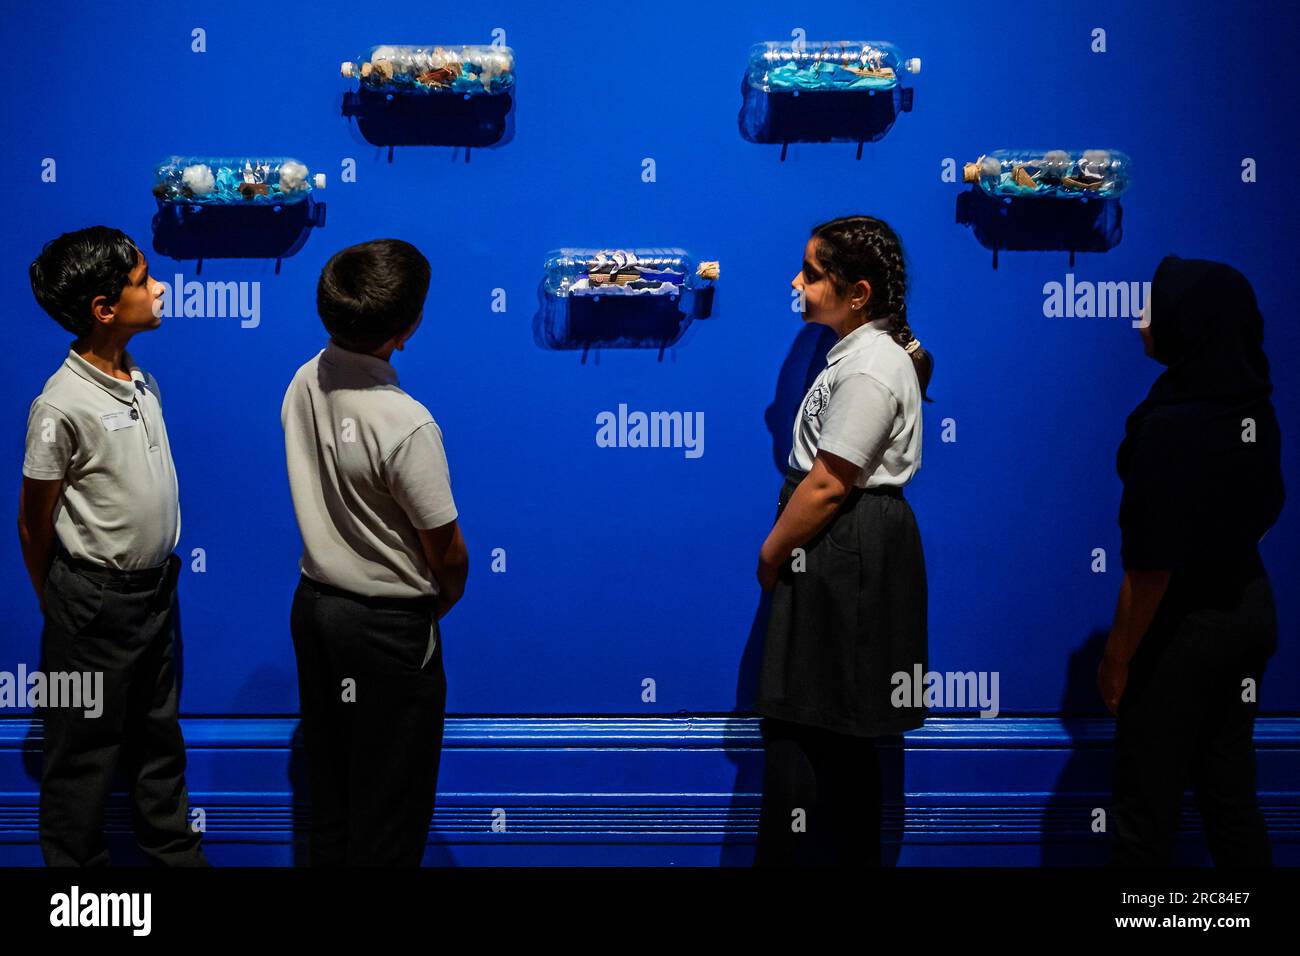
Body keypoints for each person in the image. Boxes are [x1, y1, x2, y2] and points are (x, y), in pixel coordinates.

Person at [19, 226, 207, 866]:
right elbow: (33, 521)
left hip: (157, 593)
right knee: (82, 756)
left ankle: (175, 857)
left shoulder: (143, 380)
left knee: (159, 741)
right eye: (143, 282)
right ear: (105, 310)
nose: (159, 291)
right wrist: (66, 606)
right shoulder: (58, 406)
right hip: (91, 604)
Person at [282, 238, 469, 866]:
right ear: (406, 329)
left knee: (331, 801)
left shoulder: (303, 380)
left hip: (316, 615)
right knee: (389, 816)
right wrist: (422, 608)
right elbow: (447, 553)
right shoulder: (407, 424)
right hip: (386, 632)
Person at [753, 215, 933, 866]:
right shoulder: (865, 357)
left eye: (812, 272)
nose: (796, 282)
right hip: (843, 546)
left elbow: (830, 484)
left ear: (857, 293)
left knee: (819, 722)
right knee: (828, 724)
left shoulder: (872, 368)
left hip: (843, 546)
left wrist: (772, 553)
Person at [1100, 256, 1284, 866]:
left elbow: (1151, 568)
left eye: (1154, 308)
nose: (1138, 321)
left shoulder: (1171, 428)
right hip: (1247, 612)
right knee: (1230, 797)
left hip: (1182, 632)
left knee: (1143, 814)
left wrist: (1119, 658)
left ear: (1191, 322)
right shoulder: (1252, 406)